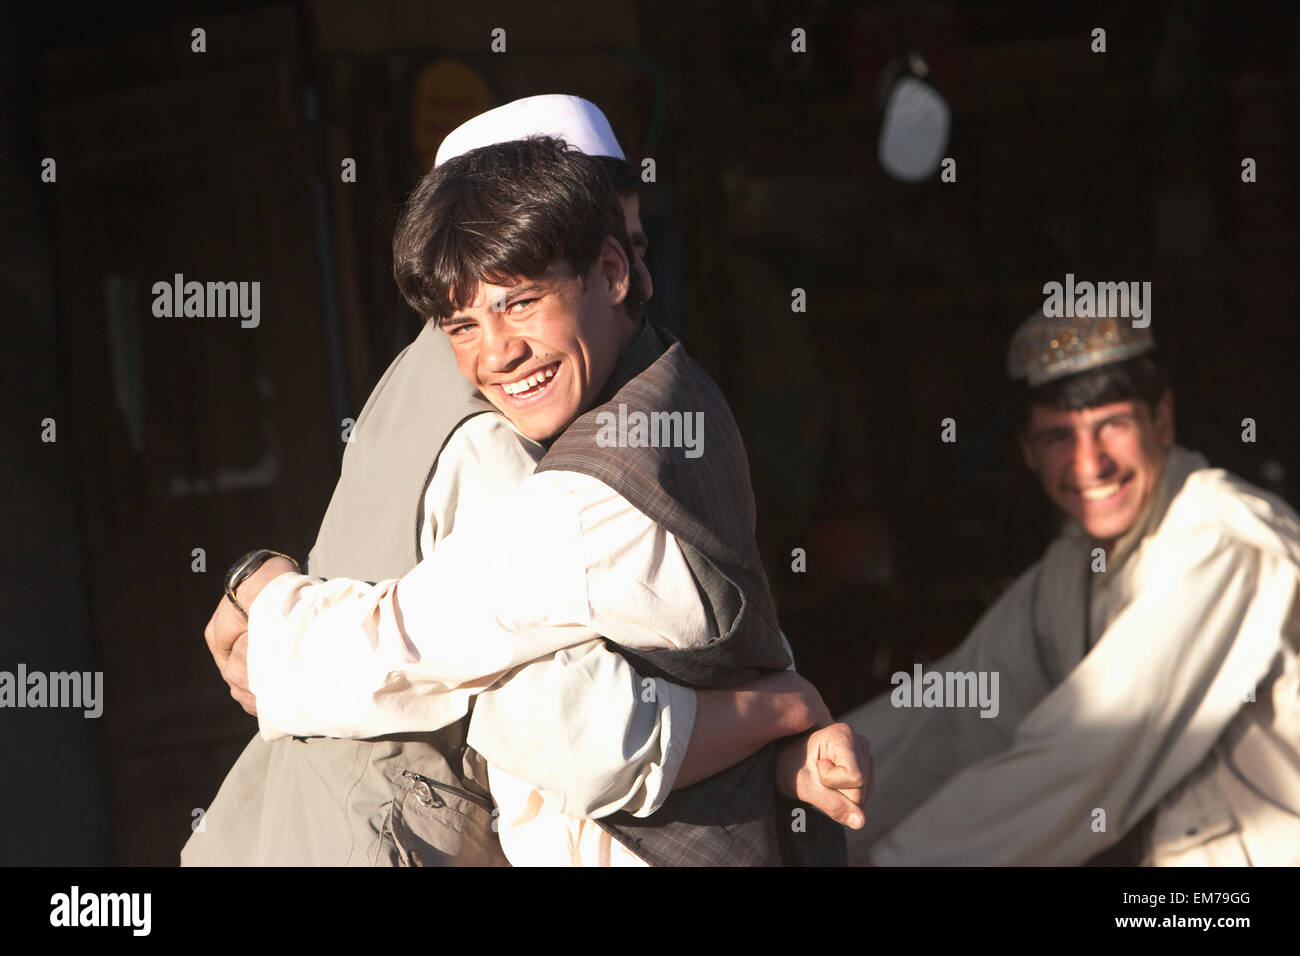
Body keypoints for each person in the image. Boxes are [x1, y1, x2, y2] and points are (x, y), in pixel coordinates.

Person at [188, 104, 867, 867]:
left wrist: (783, 720)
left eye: (635, 248)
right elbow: (575, 731)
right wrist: (780, 708)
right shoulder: (504, 438)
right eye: (469, 316)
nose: (639, 277)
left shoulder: (597, 427)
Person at [842, 308, 1300, 865]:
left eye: (1113, 424)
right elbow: (952, 712)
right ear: (1028, 452)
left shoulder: (1222, 541)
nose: (1091, 462)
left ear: (1162, 420)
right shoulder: (1073, 569)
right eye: (1059, 435)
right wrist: (799, 791)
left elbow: (1084, 756)